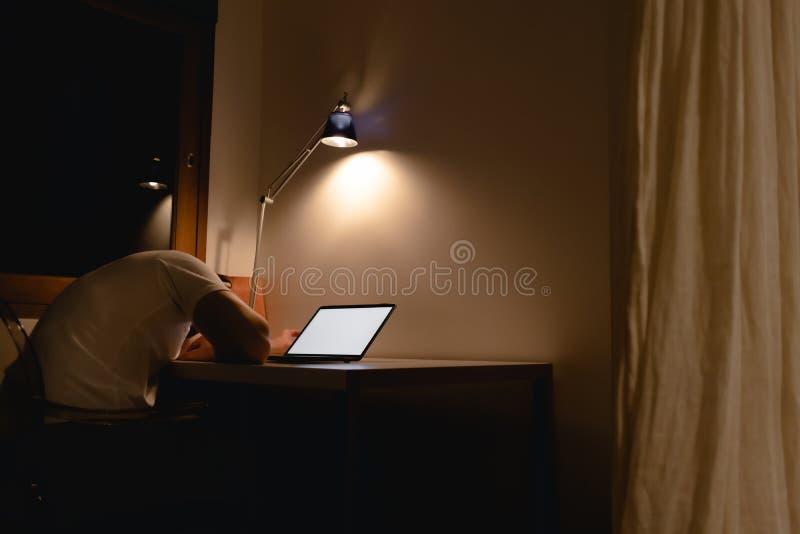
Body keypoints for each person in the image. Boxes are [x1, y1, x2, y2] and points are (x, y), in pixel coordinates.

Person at [29, 250, 298, 411]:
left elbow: (179, 354)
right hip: (99, 416)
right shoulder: (186, 266)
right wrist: (274, 344)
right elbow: (252, 342)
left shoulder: (136, 272)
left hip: (37, 410)